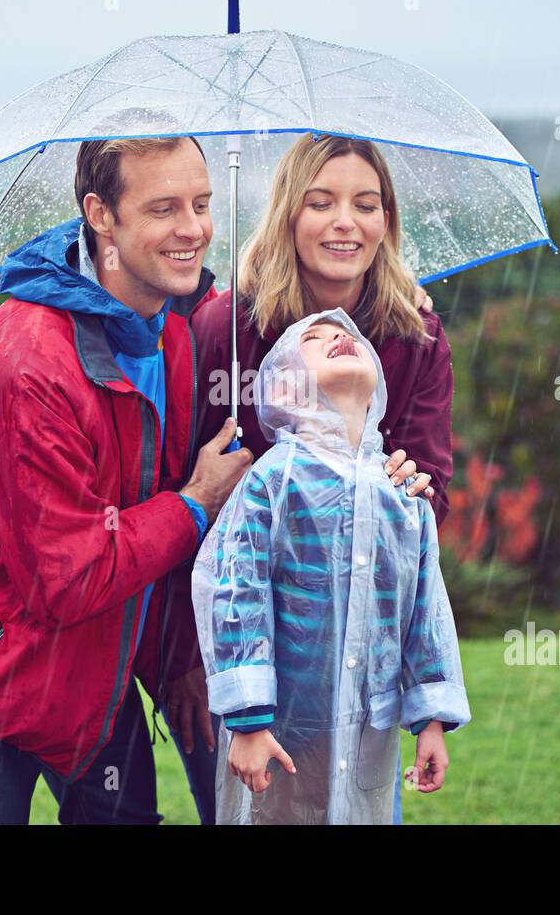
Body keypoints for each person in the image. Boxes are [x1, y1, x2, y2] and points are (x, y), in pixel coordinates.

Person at [0, 134, 250, 823]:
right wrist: (197, 501)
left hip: (95, 687)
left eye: (202, 204)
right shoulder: (23, 362)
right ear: (100, 215)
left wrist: (177, 659)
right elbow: (69, 575)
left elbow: (145, 514)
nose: (195, 229)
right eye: (164, 208)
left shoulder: (171, 334)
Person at [168, 133, 458, 822]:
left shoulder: (412, 333)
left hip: (356, 653)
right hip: (236, 644)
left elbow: (428, 497)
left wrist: (410, 483)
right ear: (287, 213)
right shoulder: (228, 327)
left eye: (366, 204)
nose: (344, 223)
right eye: (320, 202)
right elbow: (184, 495)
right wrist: (186, 656)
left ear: (387, 218)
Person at [191, 308, 470, 824]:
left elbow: (425, 608)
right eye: (314, 340)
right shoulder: (273, 482)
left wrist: (432, 718)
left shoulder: (403, 493)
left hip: (369, 732)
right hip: (282, 730)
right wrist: (249, 720)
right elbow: (234, 593)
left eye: (348, 336)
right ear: (285, 391)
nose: (338, 338)